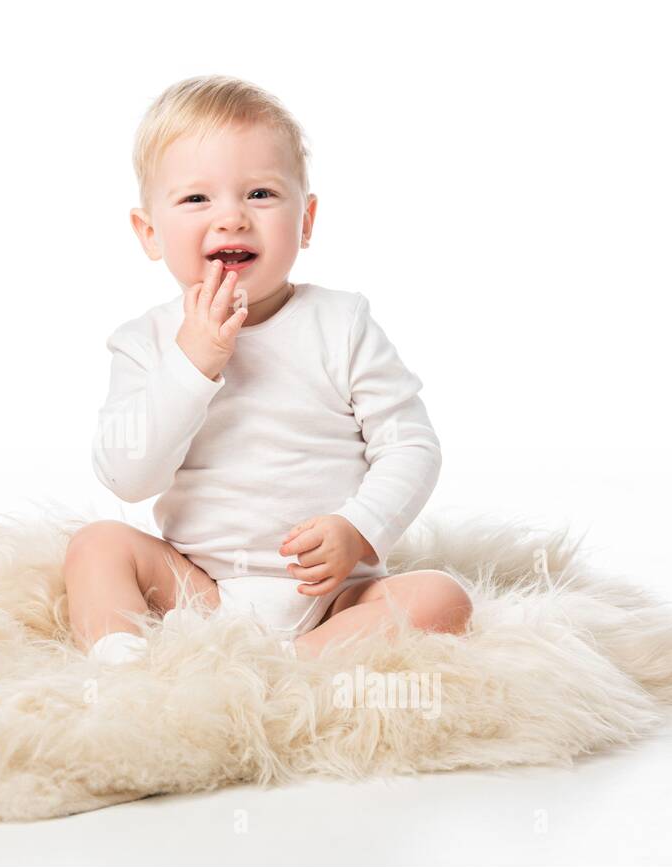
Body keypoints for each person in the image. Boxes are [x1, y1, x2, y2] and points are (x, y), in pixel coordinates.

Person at [68, 75, 473, 665]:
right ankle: (124, 667)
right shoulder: (144, 343)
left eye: (259, 194)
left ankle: (297, 666)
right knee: (96, 545)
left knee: (442, 598)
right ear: (149, 233)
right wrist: (192, 364)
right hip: (198, 590)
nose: (231, 218)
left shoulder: (341, 323)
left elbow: (412, 446)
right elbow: (128, 477)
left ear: (306, 221)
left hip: (333, 591)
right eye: (196, 199)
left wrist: (357, 527)